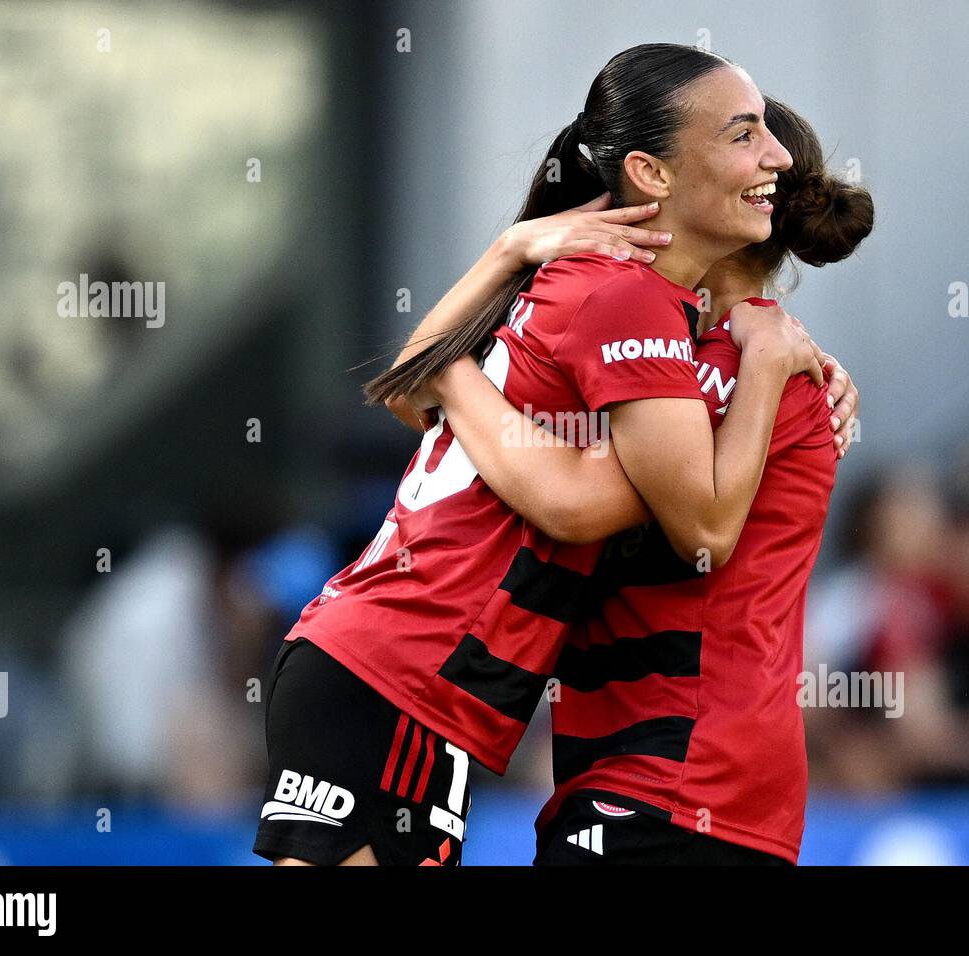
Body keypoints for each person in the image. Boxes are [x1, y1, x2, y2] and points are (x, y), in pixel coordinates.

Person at [254, 43, 827, 866]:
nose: (773, 154)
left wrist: (486, 295)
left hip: (387, 667)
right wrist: (767, 368)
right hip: (407, 670)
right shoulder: (626, 295)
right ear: (650, 173)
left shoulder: (597, 288)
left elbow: (415, 383)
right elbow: (666, 519)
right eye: (743, 135)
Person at [405, 96, 872, 863]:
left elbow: (571, 499)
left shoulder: (717, 374)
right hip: (704, 784)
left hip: (670, 778)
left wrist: (447, 373)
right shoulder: (732, 364)